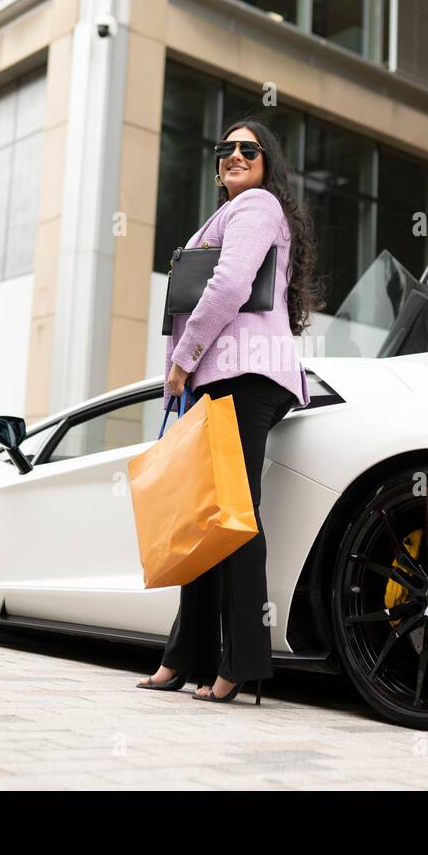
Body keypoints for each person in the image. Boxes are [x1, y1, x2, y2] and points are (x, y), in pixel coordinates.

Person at [137, 118, 325, 704]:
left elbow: (228, 285)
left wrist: (182, 360)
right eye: (228, 149)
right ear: (217, 164)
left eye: (251, 148)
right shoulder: (228, 213)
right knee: (206, 519)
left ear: (268, 163)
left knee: (234, 516)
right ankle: (185, 655)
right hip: (223, 378)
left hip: (240, 377)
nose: (238, 155)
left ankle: (241, 661)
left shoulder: (257, 206)